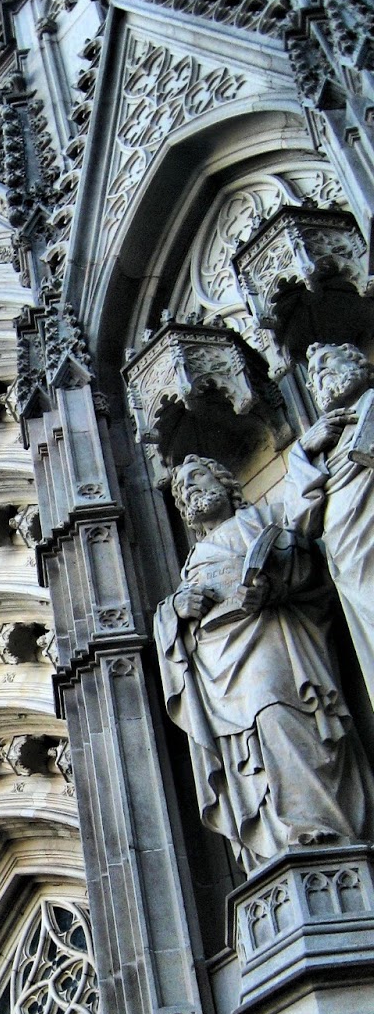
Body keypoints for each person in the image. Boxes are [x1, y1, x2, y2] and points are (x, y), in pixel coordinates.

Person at [155, 455, 374, 871]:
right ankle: (274, 842)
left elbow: (313, 563)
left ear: (225, 481)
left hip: (274, 640)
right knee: (247, 750)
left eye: (197, 477)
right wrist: (176, 609)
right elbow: (173, 627)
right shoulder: (193, 560)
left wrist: (272, 585)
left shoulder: (266, 518)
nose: (190, 491)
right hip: (218, 672)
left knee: (278, 714)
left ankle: (319, 828)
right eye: (182, 490)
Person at [285, 341, 374, 697]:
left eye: (327, 361)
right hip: (350, 553)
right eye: (314, 374)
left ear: (361, 366)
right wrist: (303, 451)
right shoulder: (318, 449)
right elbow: (300, 522)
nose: (319, 373)